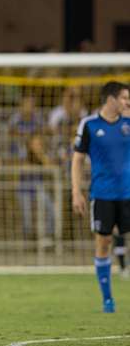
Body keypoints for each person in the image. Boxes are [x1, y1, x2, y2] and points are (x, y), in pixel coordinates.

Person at [72, 81, 130, 313]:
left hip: (128, 193)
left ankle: (123, 268)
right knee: (104, 242)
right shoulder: (89, 124)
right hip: (103, 195)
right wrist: (76, 191)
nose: (128, 102)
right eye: (125, 98)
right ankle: (108, 299)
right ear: (111, 99)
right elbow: (77, 159)